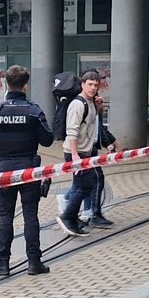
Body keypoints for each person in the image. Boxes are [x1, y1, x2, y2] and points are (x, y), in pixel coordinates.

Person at [0, 64, 56, 277]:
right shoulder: (34, 110)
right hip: (29, 170)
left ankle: (2, 263)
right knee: (31, 216)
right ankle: (34, 262)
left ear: (6, 84)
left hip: (4, 172)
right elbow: (48, 140)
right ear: (25, 86)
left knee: (6, 217)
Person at [61, 71, 115, 231]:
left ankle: (72, 217)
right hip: (77, 153)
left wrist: (99, 108)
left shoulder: (90, 103)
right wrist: (75, 155)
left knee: (81, 186)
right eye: (89, 84)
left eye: (96, 85)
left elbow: (93, 126)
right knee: (86, 184)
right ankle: (68, 215)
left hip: (86, 152)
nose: (92, 88)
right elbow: (71, 131)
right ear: (82, 84)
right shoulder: (78, 104)